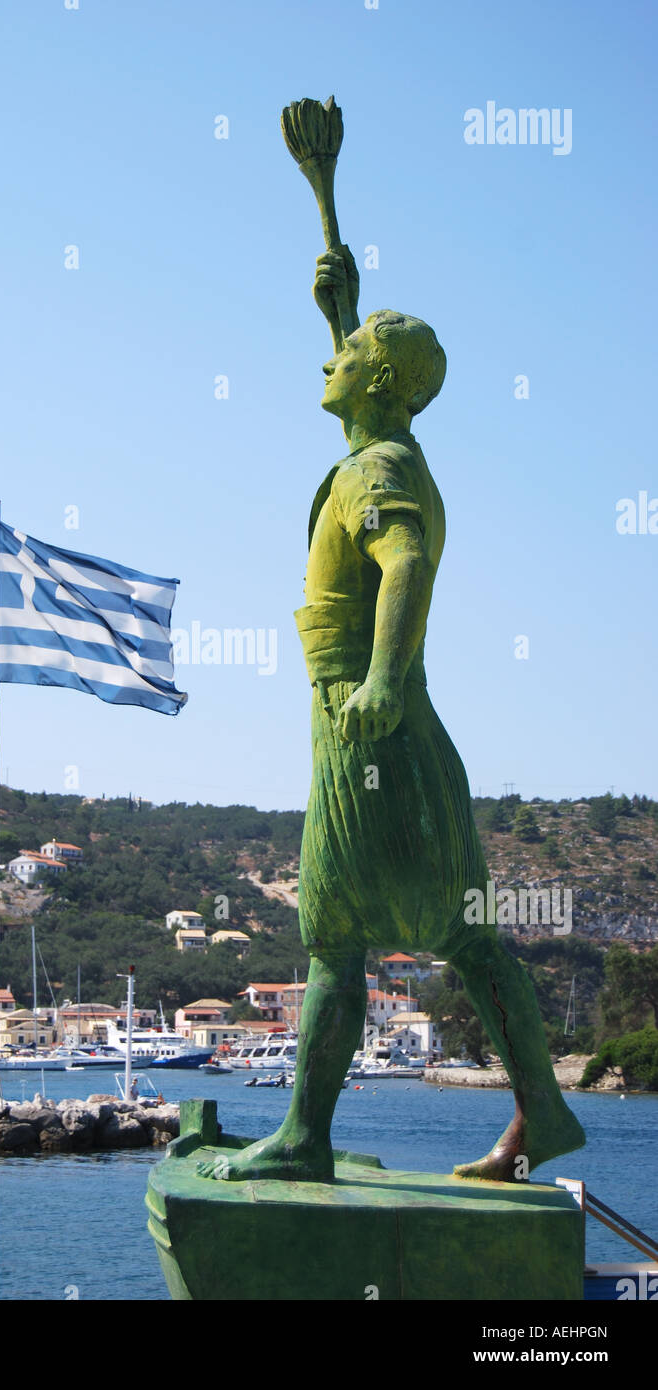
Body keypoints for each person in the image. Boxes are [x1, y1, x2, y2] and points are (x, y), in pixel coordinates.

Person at [200, 251, 584, 1185]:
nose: (329, 361)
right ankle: (545, 1112)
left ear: (376, 379)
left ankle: (304, 1137)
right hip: (393, 732)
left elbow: (404, 561)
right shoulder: (380, 449)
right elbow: (364, 384)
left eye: (351, 352)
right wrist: (346, 312)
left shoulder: (375, 467)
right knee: (464, 933)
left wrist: (377, 679)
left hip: (366, 725)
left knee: (333, 934)